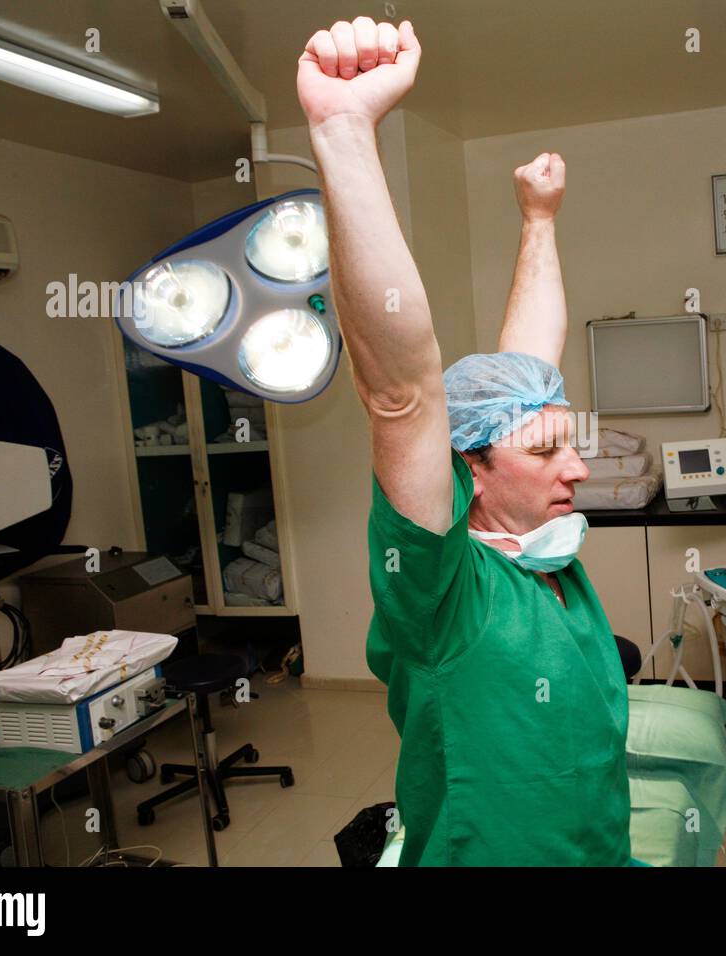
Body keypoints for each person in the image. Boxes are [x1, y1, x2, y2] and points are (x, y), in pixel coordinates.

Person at [297, 17, 633, 865]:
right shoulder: (443, 595)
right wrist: (343, 134)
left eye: (570, 442)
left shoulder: (542, 554)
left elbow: (527, 366)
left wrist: (540, 220)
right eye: (548, 452)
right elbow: (403, 392)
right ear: (469, 472)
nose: (580, 468)